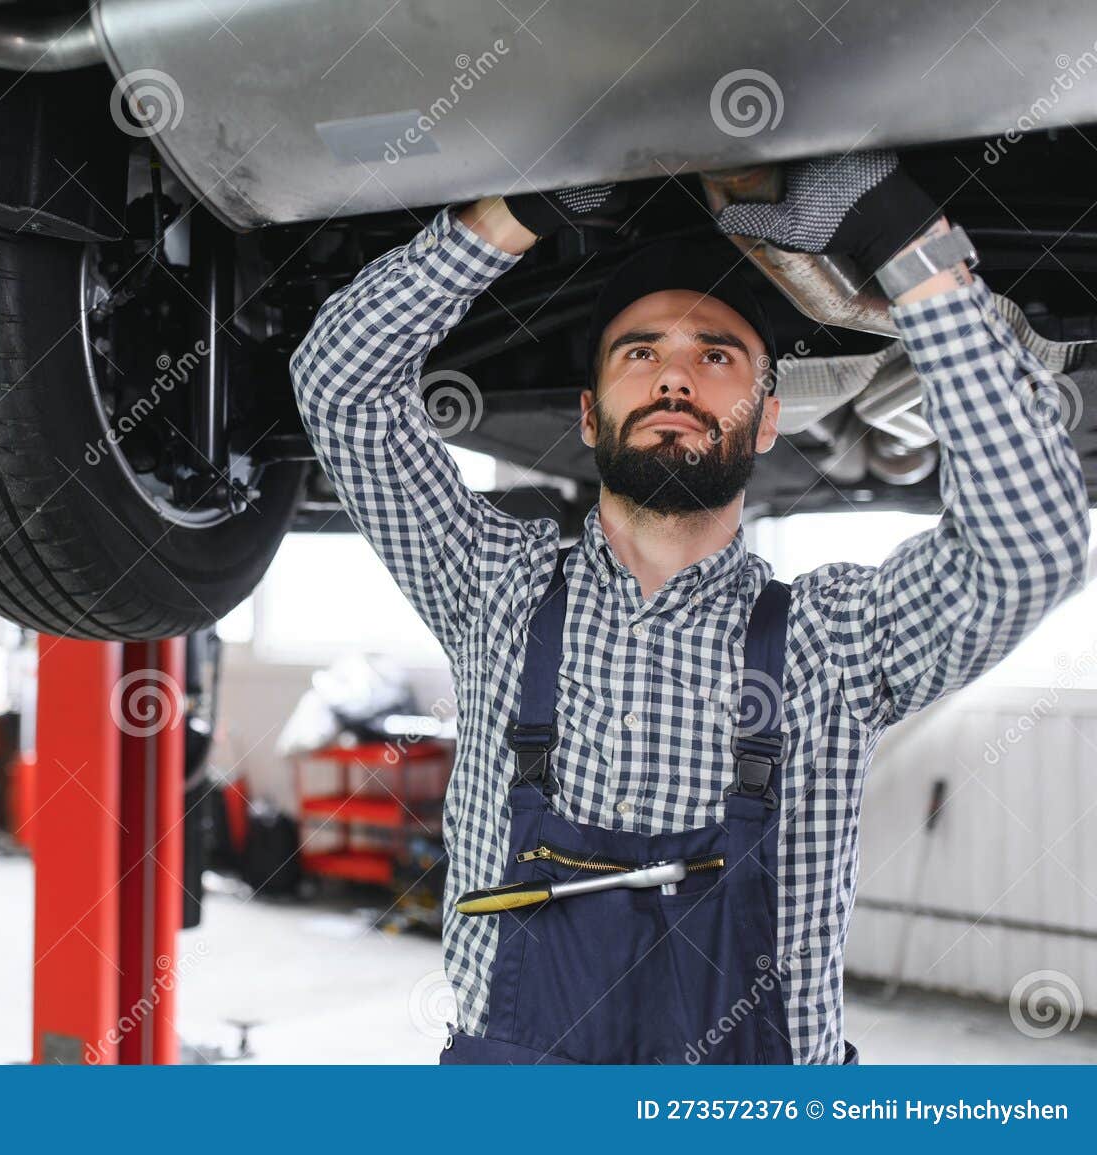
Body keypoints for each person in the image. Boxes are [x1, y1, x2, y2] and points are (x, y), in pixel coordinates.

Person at [288, 149, 1089, 1064]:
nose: (676, 379)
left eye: (716, 357)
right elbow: (340, 385)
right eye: (642, 353)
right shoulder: (492, 590)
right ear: (589, 414)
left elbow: (1033, 548)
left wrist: (904, 246)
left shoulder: (837, 640)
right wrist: (515, 210)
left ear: (769, 416)